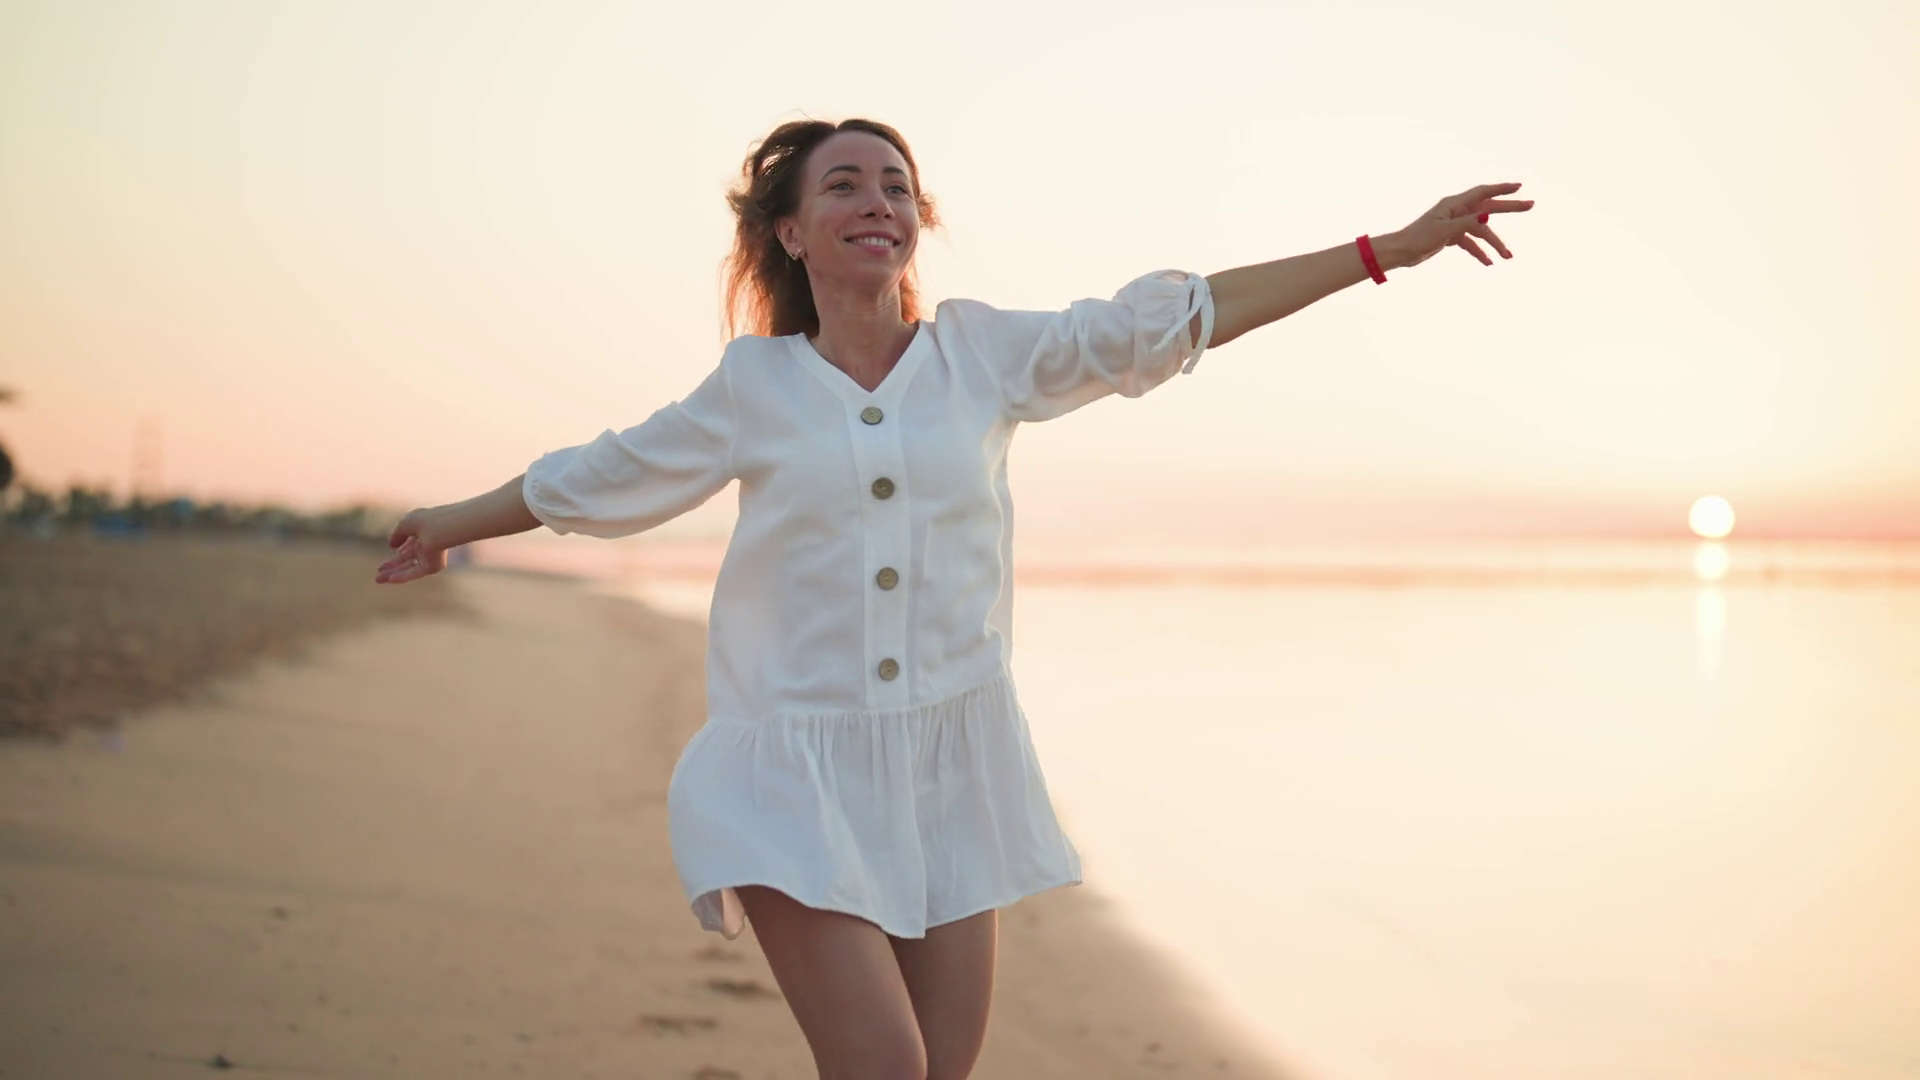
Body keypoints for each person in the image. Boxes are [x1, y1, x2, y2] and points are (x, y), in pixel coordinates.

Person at [375, 117, 1532, 1080]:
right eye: (846, 184)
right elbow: (605, 472)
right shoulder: (754, 386)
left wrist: (1391, 248)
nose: (878, 200)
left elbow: (1180, 321)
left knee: (936, 1070)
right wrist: (451, 525)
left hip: (952, 764)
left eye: (897, 185)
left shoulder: (985, 357)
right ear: (790, 231)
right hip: (794, 777)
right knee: (888, 1068)